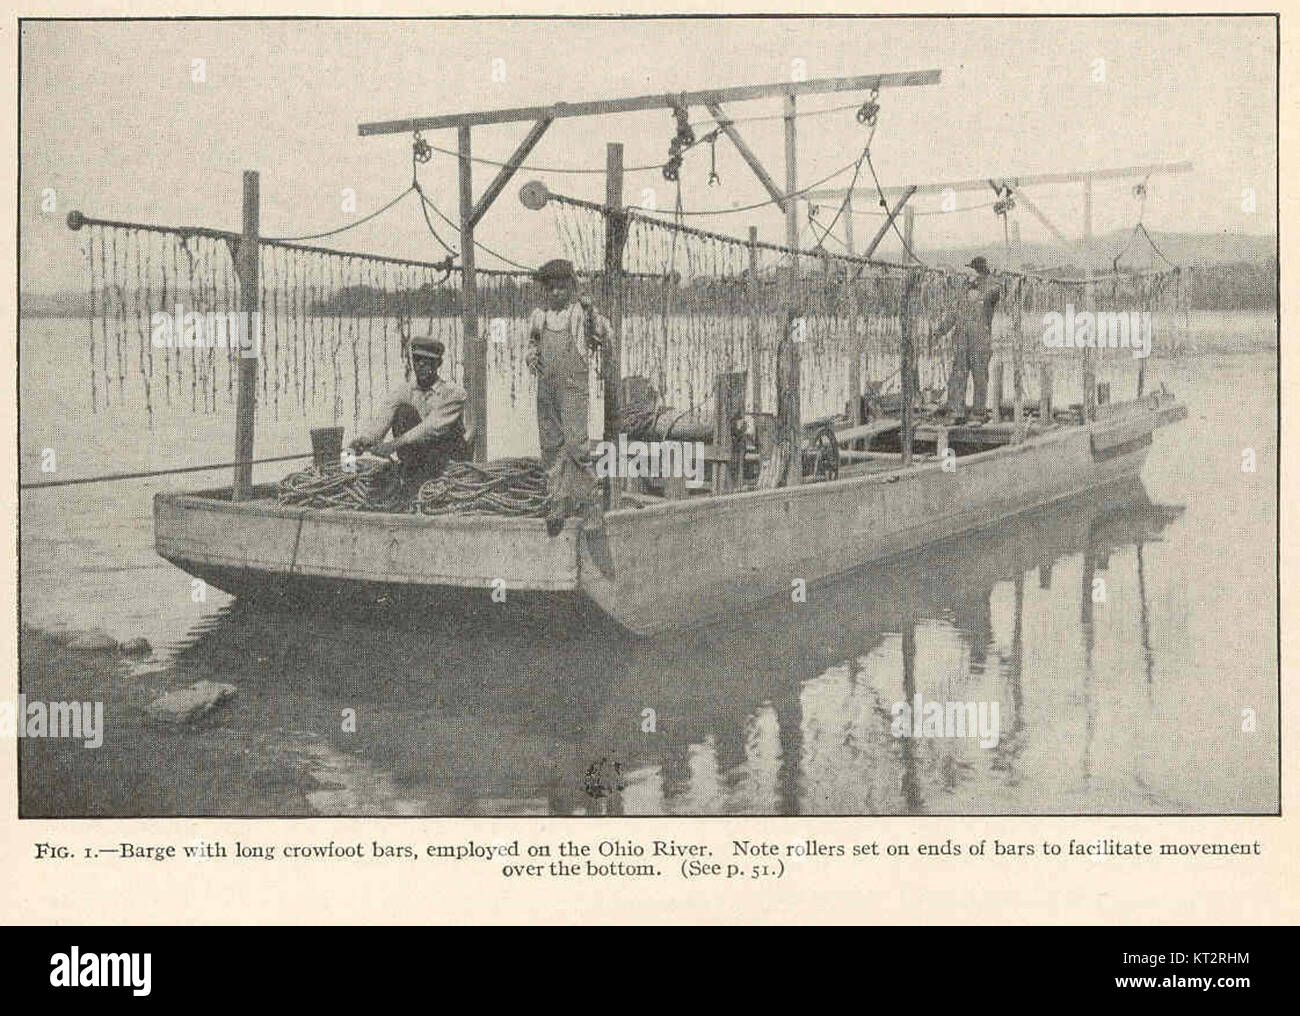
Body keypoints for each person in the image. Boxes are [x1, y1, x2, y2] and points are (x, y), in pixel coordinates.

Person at [525, 259, 612, 536]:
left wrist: (591, 311)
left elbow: (602, 334)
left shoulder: (578, 314)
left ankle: (591, 504)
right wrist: (531, 357)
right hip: (546, 390)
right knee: (551, 446)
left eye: (562, 288)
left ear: (571, 288)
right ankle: (557, 502)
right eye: (551, 288)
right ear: (544, 290)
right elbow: (532, 346)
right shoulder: (539, 317)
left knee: (576, 446)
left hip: (573, 387)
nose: (556, 294)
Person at [348, 336, 473, 484]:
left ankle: (420, 480)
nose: (421, 366)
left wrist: (392, 445)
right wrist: (365, 440)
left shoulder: (454, 393)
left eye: (428, 362)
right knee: (403, 412)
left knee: (427, 436)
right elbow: (383, 419)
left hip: (449, 458)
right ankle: (411, 478)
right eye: (417, 360)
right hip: (420, 458)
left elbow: (430, 428)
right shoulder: (404, 391)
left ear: (439, 363)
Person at [935, 256, 1002, 423]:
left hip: (980, 341)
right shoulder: (963, 291)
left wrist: (983, 280)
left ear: (978, 271)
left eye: (971, 271)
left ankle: (978, 413)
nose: (967, 275)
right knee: (958, 375)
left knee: (980, 376)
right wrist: (939, 332)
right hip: (961, 340)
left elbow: (995, 292)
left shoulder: (991, 288)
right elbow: (952, 314)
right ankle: (956, 412)